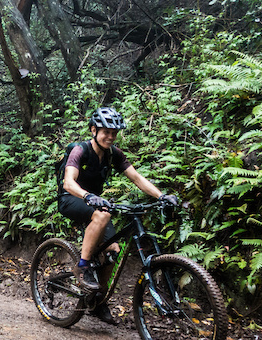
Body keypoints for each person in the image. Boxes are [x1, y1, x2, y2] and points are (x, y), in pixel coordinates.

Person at [58, 107, 178, 324]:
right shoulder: (80, 150)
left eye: (114, 133)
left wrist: (161, 196)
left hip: (96, 203)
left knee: (113, 250)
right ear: (94, 130)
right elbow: (68, 182)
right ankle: (83, 267)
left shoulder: (114, 154)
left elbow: (137, 178)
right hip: (71, 199)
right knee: (103, 215)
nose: (111, 137)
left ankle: (97, 301)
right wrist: (88, 196)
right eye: (106, 132)